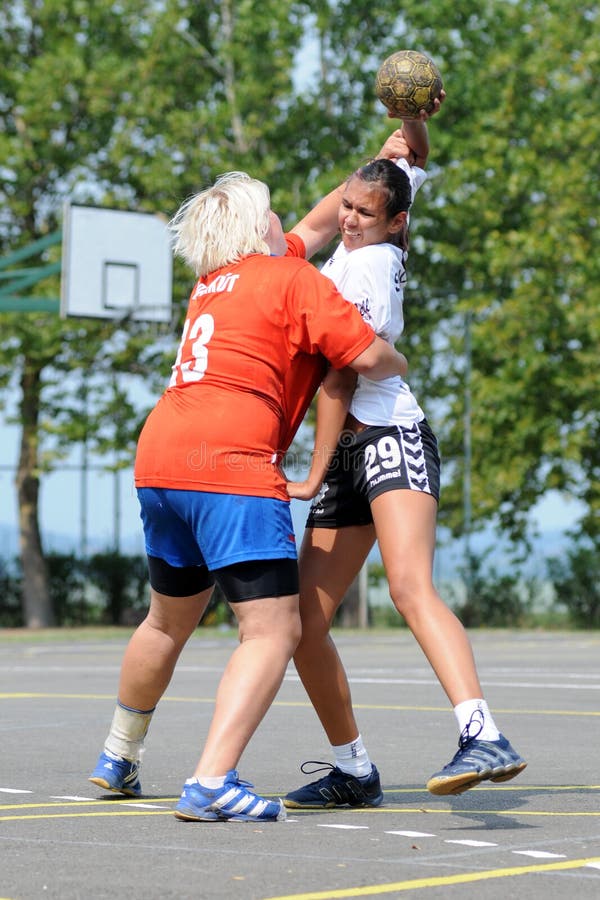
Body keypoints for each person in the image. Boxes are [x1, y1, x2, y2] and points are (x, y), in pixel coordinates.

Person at [88, 154, 412, 823]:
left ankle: (119, 754)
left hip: (162, 456)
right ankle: (211, 781)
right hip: (230, 461)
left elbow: (319, 225)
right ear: (253, 227)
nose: (283, 218)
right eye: (269, 210)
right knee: (273, 629)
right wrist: (400, 357)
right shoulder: (292, 279)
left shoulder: (215, 281)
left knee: (165, 621)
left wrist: (385, 158)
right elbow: (365, 357)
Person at [283, 113, 527, 809]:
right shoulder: (371, 222)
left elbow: (341, 377)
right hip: (349, 449)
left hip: (390, 435)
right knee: (302, 622)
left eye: (363, 213)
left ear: (395, 223)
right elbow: (409, 161)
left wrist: (312, 473)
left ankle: (482, 733)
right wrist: (411, 119)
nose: (349, 219)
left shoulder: (367, 266)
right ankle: (354, 769)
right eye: (347, 207)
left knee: (410, 586)